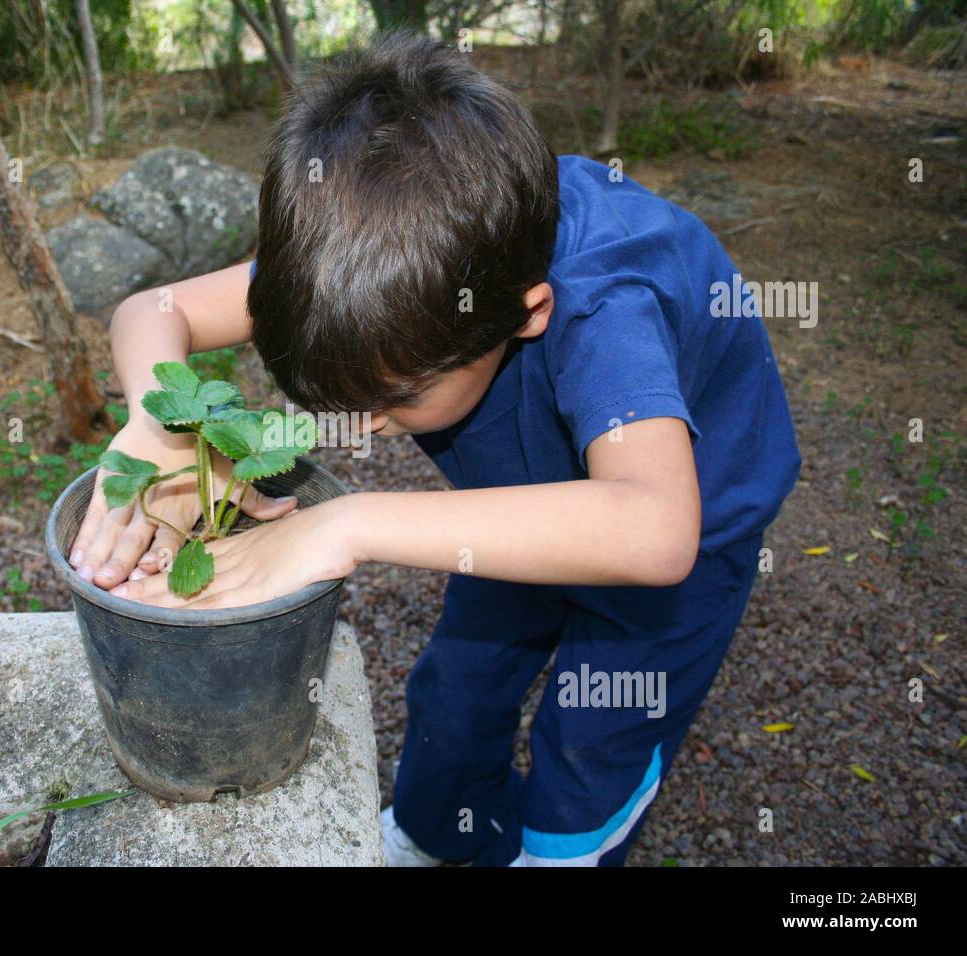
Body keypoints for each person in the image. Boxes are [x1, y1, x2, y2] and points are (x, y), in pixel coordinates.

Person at [68, 32, 801, 866]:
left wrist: (341, 524)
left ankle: (561, 852)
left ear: (527, 314)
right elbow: (152, 309)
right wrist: (161, 426)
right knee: (456, 689)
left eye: (399, 397)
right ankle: (437, 835)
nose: (370, 424)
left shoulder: (608, 304)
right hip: (510, 502)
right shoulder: (376, 251)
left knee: (596, 730)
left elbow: (654, 529)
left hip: (683, 530)